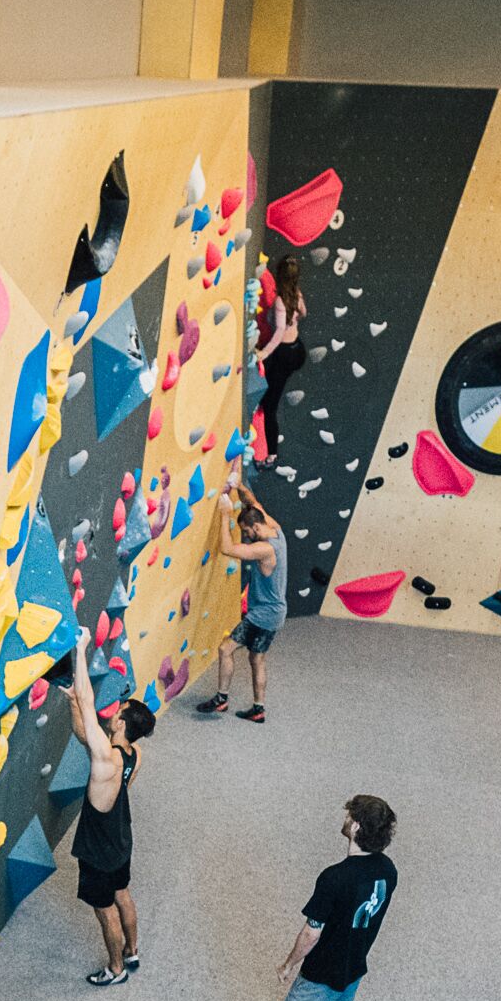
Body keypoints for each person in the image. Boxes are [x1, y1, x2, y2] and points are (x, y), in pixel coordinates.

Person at [212, 795, 397, 1001]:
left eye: (349, 815)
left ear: (355, 827)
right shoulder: (388, 871)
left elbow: (311, 934)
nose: (345, 818)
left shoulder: (335, 877)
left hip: (321, 975)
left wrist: (289, 964)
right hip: (354, 969)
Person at [66, 656, 153, 985]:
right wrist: (74, 703)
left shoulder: (107, 759)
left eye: (119, 710)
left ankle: (116, 969)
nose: (114, 710)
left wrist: (81, 648)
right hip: (120, 841)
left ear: (120, 724)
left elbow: (90, 712)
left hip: (99, 852)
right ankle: (132, 950)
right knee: (123, 894)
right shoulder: (134, 754)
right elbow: (86, 735)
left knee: (106, 911)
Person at [200, 487, 287, 723]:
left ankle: (221, 699)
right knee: (256, 659)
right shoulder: (276, 531)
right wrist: (237, 485)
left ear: (256, 528)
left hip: (262, 615)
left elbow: (227, 549)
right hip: (275, 612)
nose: (246, 535)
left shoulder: (265, 549)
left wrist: (225, 514)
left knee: (225, 649)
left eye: (247, 531)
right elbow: (253, 500)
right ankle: (258, 709)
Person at [252, 256, 309, 448]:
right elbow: (303, 313)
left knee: (270, 407)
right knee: (270, 393)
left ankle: (271, 453)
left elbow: (278, 333)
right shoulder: (297, 294)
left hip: (284, 354)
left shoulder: (280, 301)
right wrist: (294, 320)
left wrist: (263, 353)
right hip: (297, 349)